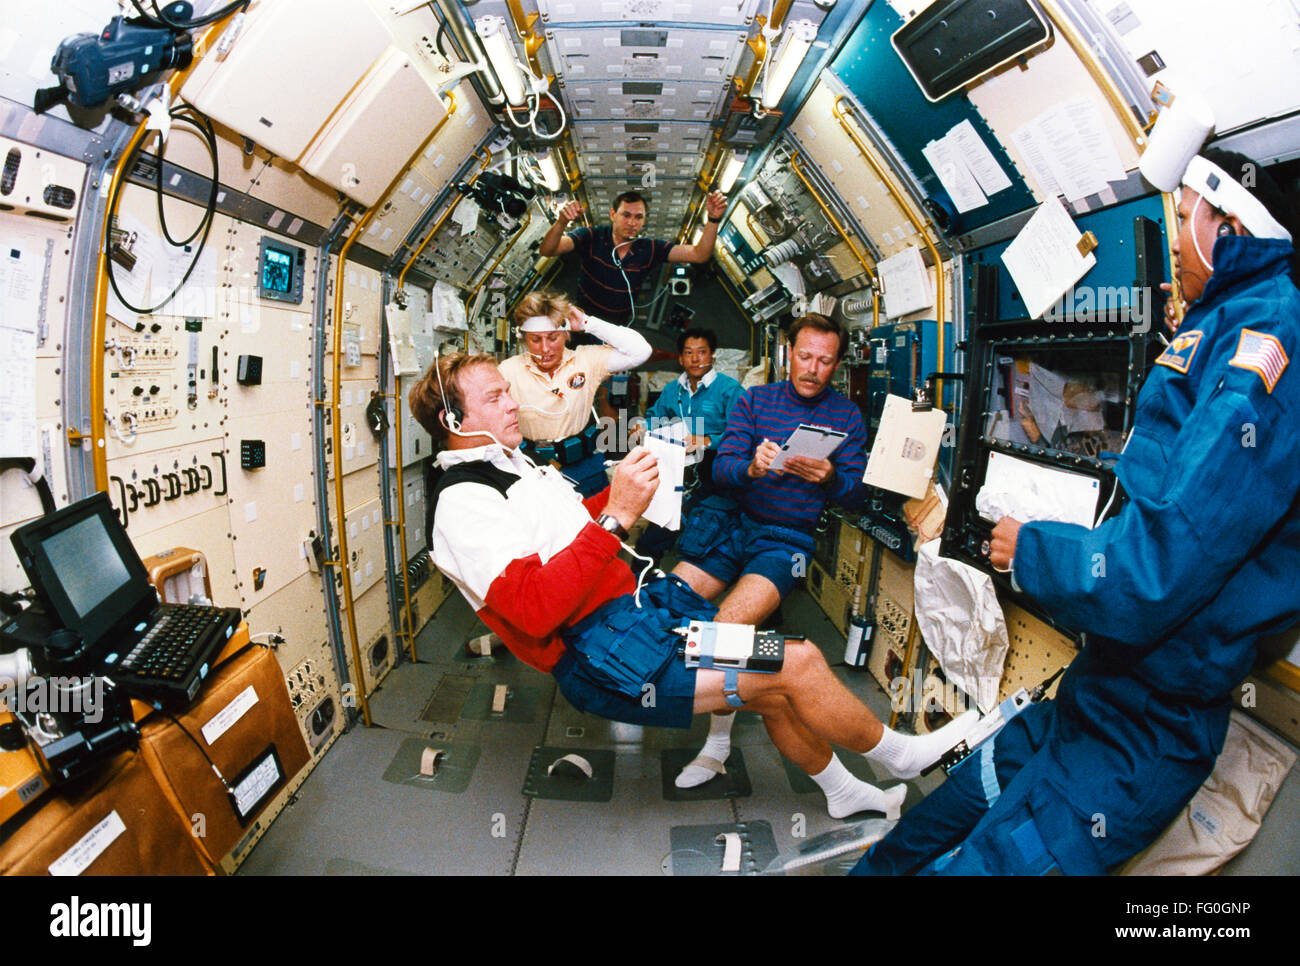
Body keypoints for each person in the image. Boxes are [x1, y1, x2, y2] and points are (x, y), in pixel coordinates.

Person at [853, 148, 1300, 875]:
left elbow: (1159, 569)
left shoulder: (1267, 346)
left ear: (1225, 221)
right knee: (936, 821)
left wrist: (1032, 551)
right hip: (1100, 687)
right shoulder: (1217, 326)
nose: (1174, 234)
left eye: (1181, 215)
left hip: (1144, 729)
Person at [411, 352, 979, 821]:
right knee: (798, 662)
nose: (513, 402)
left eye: (507, 391)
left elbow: (571, 530)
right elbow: (534, 609)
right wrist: (616, 519)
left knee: (774, 690)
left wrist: (625, 488)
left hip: (632, 615)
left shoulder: (512, 464)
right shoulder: (464, 502)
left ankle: (843, 790)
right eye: (494, 397)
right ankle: (900, 756)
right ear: (454, 422)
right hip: (604, 656)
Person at [670, 313, 870, 788]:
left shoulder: (846, 416)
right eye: (804, 356)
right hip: (728, 522)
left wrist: (831, 478)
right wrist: (753, 469)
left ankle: (717, 746)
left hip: (786, 538)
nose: (811, 369)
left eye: (824, 361)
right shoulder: (754, 400)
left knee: (724, 632)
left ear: (837, 365)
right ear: (788, 353)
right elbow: (722, 471)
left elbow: (859, 493)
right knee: (666, 606)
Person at [498, 289, 651, 497]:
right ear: (523, 338)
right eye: (535, 339)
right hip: (532, 469)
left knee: (595, 524)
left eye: (552, 338)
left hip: (584, 468)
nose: (545, 348)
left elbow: (641, 351)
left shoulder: (586, 360)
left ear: (566, 332)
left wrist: (588, 323)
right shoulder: (507, 371)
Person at [631, 326, 745, 558]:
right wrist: (642, 425)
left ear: (712, 356)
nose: (695, 359)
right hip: (678, 466)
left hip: (715, 468)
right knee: (653, 536)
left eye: (702, 352)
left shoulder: (730, 390)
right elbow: (655, 417)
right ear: (681, 359)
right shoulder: (673, 390)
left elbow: (744, 436)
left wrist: (707, 441)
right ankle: (646, 576)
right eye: (689, 353)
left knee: (695, 535)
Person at [539, 190, 728, 326]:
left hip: (616, 327)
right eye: (626, 215)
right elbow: (547, 250)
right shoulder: (591, 236)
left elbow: (699, 254)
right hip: (583, 320)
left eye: (638, 217)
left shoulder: (650, 248)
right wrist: (562, 221)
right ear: (613, 214)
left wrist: (713, 219)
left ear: (644, 221)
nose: (632, 223)